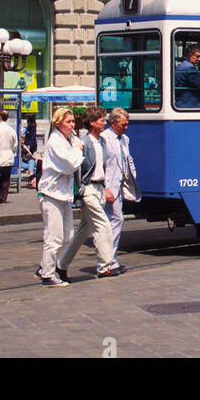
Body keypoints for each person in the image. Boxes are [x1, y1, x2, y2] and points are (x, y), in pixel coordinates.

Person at [59, 106, 123, 279]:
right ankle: (105, 267)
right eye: (102, 120)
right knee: (104, 226)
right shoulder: (84, 143)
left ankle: (61, 265)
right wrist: (80, 190)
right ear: (93, 123)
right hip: (88, 189)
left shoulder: (101, 141)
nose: (105, 123)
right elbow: (78, 168)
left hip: (99, 188)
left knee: (82, 233)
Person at [36, 107, 82, 287]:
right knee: (53, 236)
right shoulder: (55, 141)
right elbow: (71, 164)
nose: (72, 125)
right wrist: (77, 150)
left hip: (64, 194)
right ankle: (47, 274)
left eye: (73, 122)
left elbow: (78, 145)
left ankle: (43, 266)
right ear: (58, 123)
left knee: (68, 235)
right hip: (51, 193)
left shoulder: (68, 138)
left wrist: (76, 145)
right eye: (68, 122)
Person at [100, 108, 137, 270]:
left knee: (113, 221)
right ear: (112, 123)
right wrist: (105, 188)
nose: (126, 127)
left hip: (119, 186)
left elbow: (127, 160)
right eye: (123, 124)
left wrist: (131, 177)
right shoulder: (104, 139)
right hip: (107, 188)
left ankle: (109, 260)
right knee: (115, 220)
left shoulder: (125, 139)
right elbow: (99, 164)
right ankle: (108, 261)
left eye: (127, 124)